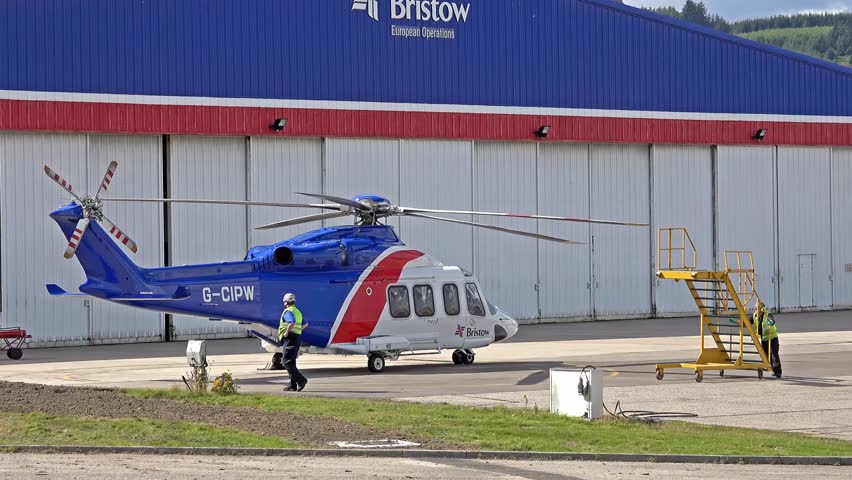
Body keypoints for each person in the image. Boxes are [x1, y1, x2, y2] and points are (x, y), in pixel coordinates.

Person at [278, 292, 308, 391]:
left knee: (286, 362)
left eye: (284, 301)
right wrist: (297, 330)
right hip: (297, 337)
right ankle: (292, 385)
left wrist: (287, 332)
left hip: (290, 338)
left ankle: (301, 380)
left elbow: (291, 322)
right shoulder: (297, 311)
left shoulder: (288, 311)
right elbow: (305, 324)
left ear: (286, 302)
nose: (283, 303)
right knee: (291, 362)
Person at [753, 300, 781, 378]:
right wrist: (737, 322)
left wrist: (770, 322)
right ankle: (773, 369)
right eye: (755, 307)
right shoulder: (755, 316)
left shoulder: (767, 315)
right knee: (767, 356)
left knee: (774, 354)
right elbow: (747, 322)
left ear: (761, 308)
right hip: (764, 339)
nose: (755, 308)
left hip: (773, 338)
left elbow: (772, 320)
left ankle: (778, 372)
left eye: (757, 307)